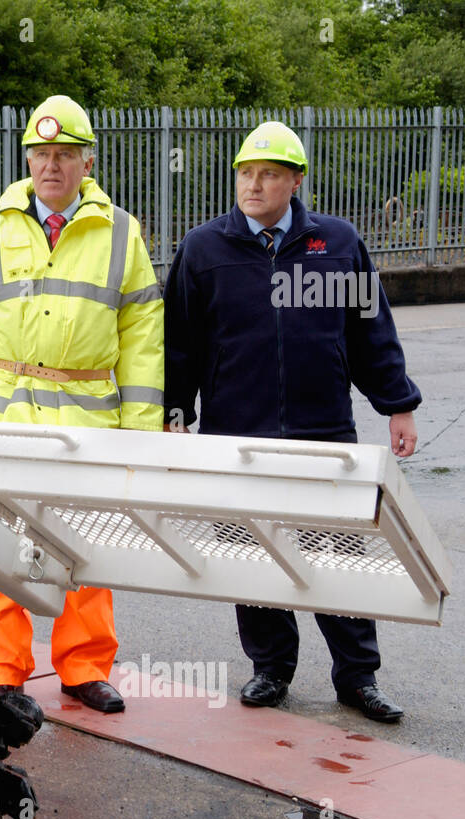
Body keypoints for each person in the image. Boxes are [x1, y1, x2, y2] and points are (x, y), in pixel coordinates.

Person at [163, 121, 420, 723]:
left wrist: (398, 404)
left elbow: (370, 331)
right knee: (252, 554)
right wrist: (177, 414)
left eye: (269, 174)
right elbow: (180, 344)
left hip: (324, 432)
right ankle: (271, 669)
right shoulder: (204, 249)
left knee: (337, 556)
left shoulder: (337, 243)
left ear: (296, 181)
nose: (254, 185)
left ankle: (357, 677)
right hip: (237, 432)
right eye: (246, 173)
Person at [0, 95, 164, 713]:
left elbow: (142, 338)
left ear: (88, 162)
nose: (51, 166)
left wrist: (140, 433)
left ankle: (85, 667)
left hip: (87, 419)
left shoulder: (122, 233)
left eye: (65, 155)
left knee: (86, 552)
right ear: (28, 159)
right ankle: (1, 668)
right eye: (41, 154)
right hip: (2, 417)